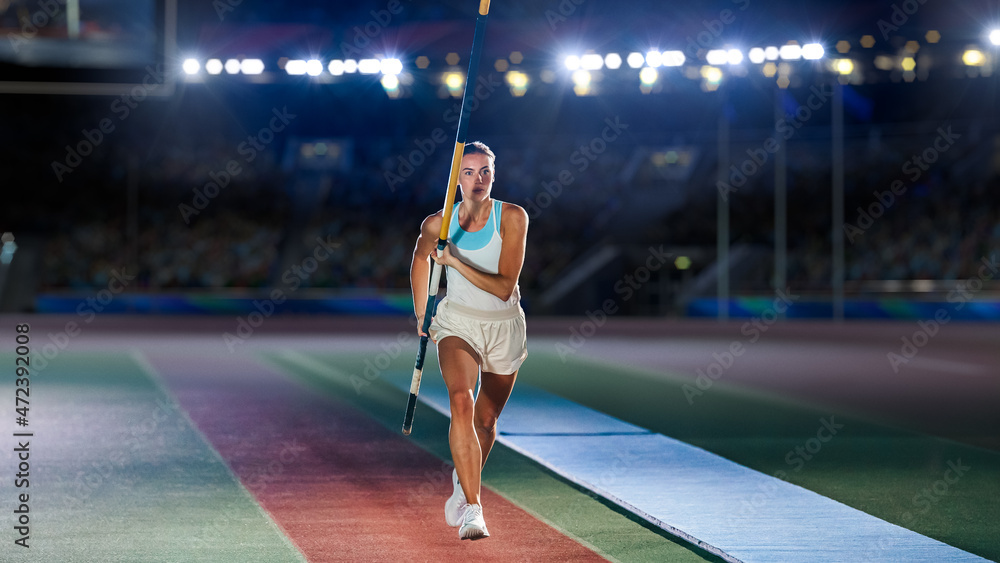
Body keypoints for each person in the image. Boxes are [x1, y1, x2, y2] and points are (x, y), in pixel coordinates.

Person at [409, 141, 529, 540]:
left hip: (504, 325)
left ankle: (463, 483)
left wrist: (455, 260)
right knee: (461, 399)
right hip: (457, 322)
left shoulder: (512, 217)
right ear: (455, 178)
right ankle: (474, 510)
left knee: (487, 420)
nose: (477, 180)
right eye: (468, 172)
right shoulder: (437, 223)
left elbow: (503, 286)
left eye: (485, 172)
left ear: (494, 175)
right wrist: (422, 310)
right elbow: (421, 259)